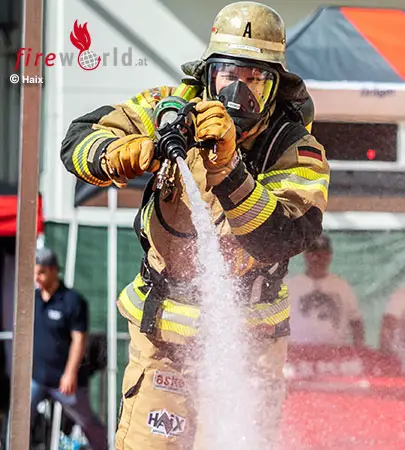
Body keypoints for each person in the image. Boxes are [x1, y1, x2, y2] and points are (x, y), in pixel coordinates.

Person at [59, 2, 329, 449]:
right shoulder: (169, 109)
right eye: (229, 76)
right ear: (207, 75)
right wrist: (114, 154)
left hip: (248, 345)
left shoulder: (294, 149)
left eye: (255, 81)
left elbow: (283, 237)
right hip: (162, 337)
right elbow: (78, 137)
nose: (238, 94)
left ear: (275, 87)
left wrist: (230, 171)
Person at [25, 248, 107, 449]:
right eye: (34, 272)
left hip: (65, 381)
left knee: (88, 423)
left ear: (54, 270)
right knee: (19, 417)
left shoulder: (73, 301)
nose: (37, 278)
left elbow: (79, 340)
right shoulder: (33, 299)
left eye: (42, 272)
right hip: (38, 378)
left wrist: (69, 373)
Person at [286, 235, 365, 347]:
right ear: (305, 255)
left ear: (329, 256)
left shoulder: (342, 286)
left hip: (335, 352)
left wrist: (359, 349)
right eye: (313, 254)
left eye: (322, 254)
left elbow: (356, 321)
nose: (317, 259)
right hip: (298, 352)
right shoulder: (291, 286)